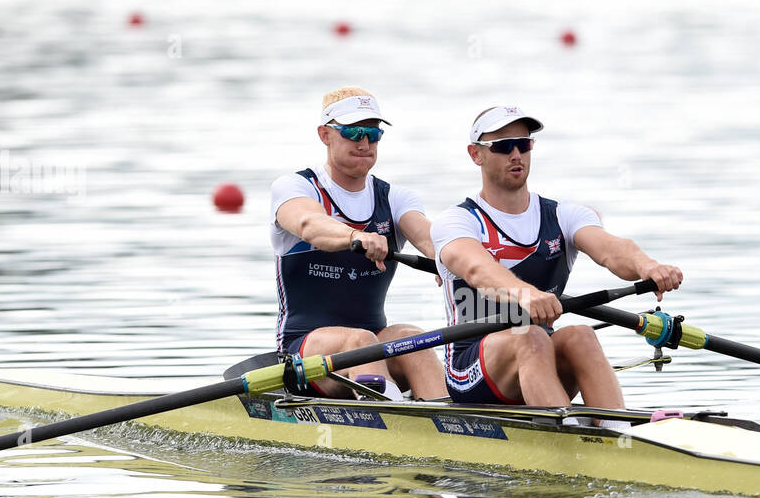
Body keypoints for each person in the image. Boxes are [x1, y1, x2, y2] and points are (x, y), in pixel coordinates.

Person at [430, 105, 683, 417]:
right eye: (502, 146)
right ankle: (570, 440)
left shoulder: (564, 215)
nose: (516, 155)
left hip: (540, 356)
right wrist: (525, 294)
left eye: (523, 144)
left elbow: (611, 249)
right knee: (531, 335)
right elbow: (476, 269)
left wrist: (648, 266)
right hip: (470, 369)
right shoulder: (457, 222)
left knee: (580, 335)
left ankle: (618, 434)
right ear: (476, 154)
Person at [268, 87, 445, 400]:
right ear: (325, 134)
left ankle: (453, 424)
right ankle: (386, 419)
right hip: (304, 353)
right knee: (360, 341)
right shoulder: (296, 187)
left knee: (415, 339)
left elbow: (432, 240)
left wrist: (453, 261)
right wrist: (355, 237)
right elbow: (310, 225)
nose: (365, 143)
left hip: (374, 342)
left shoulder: (395, 198)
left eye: (373, 134)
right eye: (353, 132)